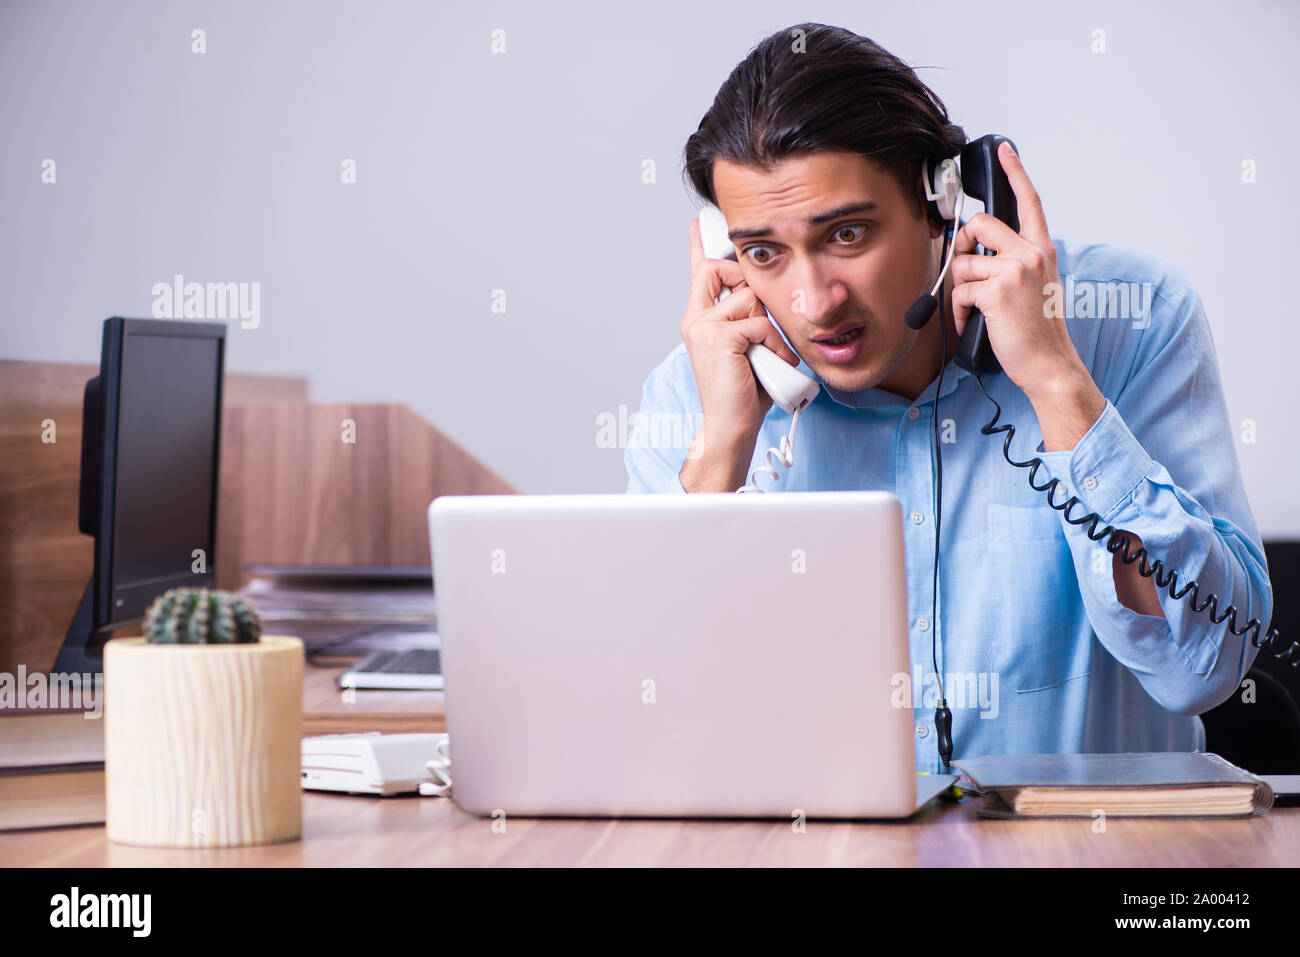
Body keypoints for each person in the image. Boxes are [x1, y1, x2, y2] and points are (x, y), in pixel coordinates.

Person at [623, 22, 1273, 772]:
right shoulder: (698, 390)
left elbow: (1204, 667)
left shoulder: (1135, 319)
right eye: (763, 252)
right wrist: (720, 458)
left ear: (946, 201)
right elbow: (647, 718)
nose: (814, 301)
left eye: (847, 235)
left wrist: (1060, 389)